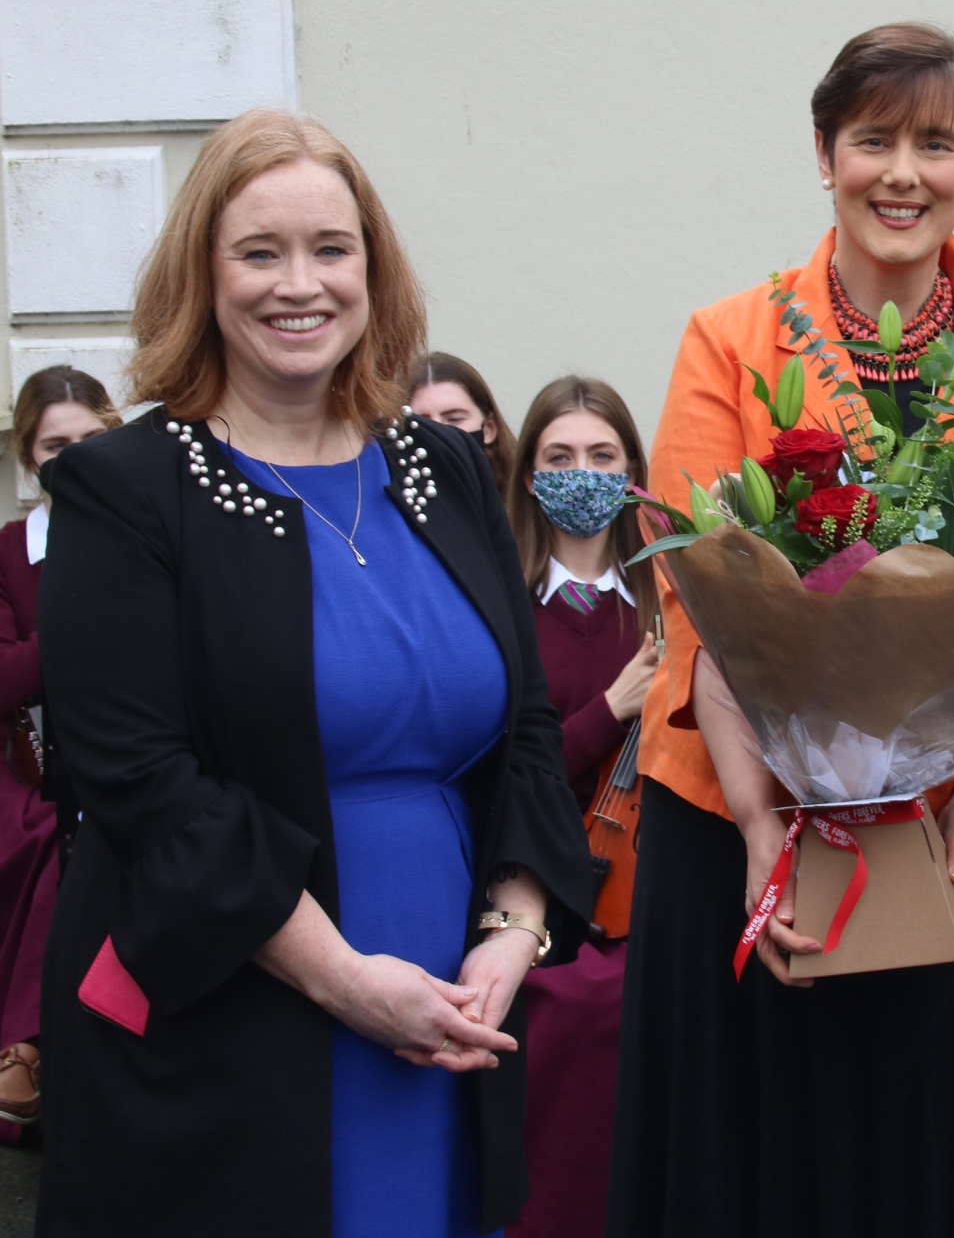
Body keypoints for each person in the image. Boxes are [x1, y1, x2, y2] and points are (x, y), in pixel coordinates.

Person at [34, 108, 597, 1237]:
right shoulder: (124, 488)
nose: (301, 284)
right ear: (204, 271)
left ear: (373, 269)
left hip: (449, 989)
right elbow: (140, 778)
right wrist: (346, 978)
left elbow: (528, 721)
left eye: (331, 249)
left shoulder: (438, 464)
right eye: (260, 251)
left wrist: (512, 928)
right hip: (237, 1001)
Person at [607, 22, 954, 1238]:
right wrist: (766, 826)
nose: (902, 172)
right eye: (872, 138)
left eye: (936, 143)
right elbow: (703, 596)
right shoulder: (731, 339)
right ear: (825, 154)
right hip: (741, 823)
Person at [503, 375, 660, 1238]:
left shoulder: (669, 600)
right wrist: (611, 709)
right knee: (591, 1011)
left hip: (661, 877)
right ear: (528, 473)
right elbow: (506, 774)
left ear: (632, 470)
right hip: (547, 880)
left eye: (602, 456)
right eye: (559, 456)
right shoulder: (507, 607)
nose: (582, 473)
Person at [0, 366, 120, 1141]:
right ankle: (25, 1051)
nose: (77, 456)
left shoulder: (159, 545)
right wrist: (86, 599)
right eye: (58, 444)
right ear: (30, 457)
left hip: (125, 761)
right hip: (19, 775)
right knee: (64, 847)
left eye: (93, 440)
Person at [411, 350, 517, 498]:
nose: (437, 432)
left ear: (488, 428)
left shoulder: (522, 507)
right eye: (422, 422)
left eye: (454, 419)